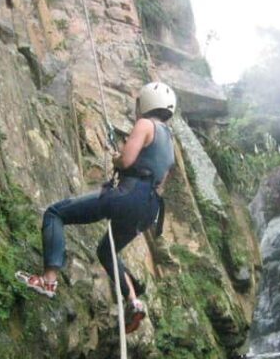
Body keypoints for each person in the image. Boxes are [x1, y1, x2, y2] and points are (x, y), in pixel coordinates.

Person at [16, 82, 176, 334]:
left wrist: (115, 158)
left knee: (55, 213)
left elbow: (126, 160)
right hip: (149, 210)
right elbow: (161, 181)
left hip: (128, 196)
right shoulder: (170, 141)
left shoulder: (145, 125)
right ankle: (133, 301)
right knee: (106, 251)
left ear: (144, 103)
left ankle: (48, 280)